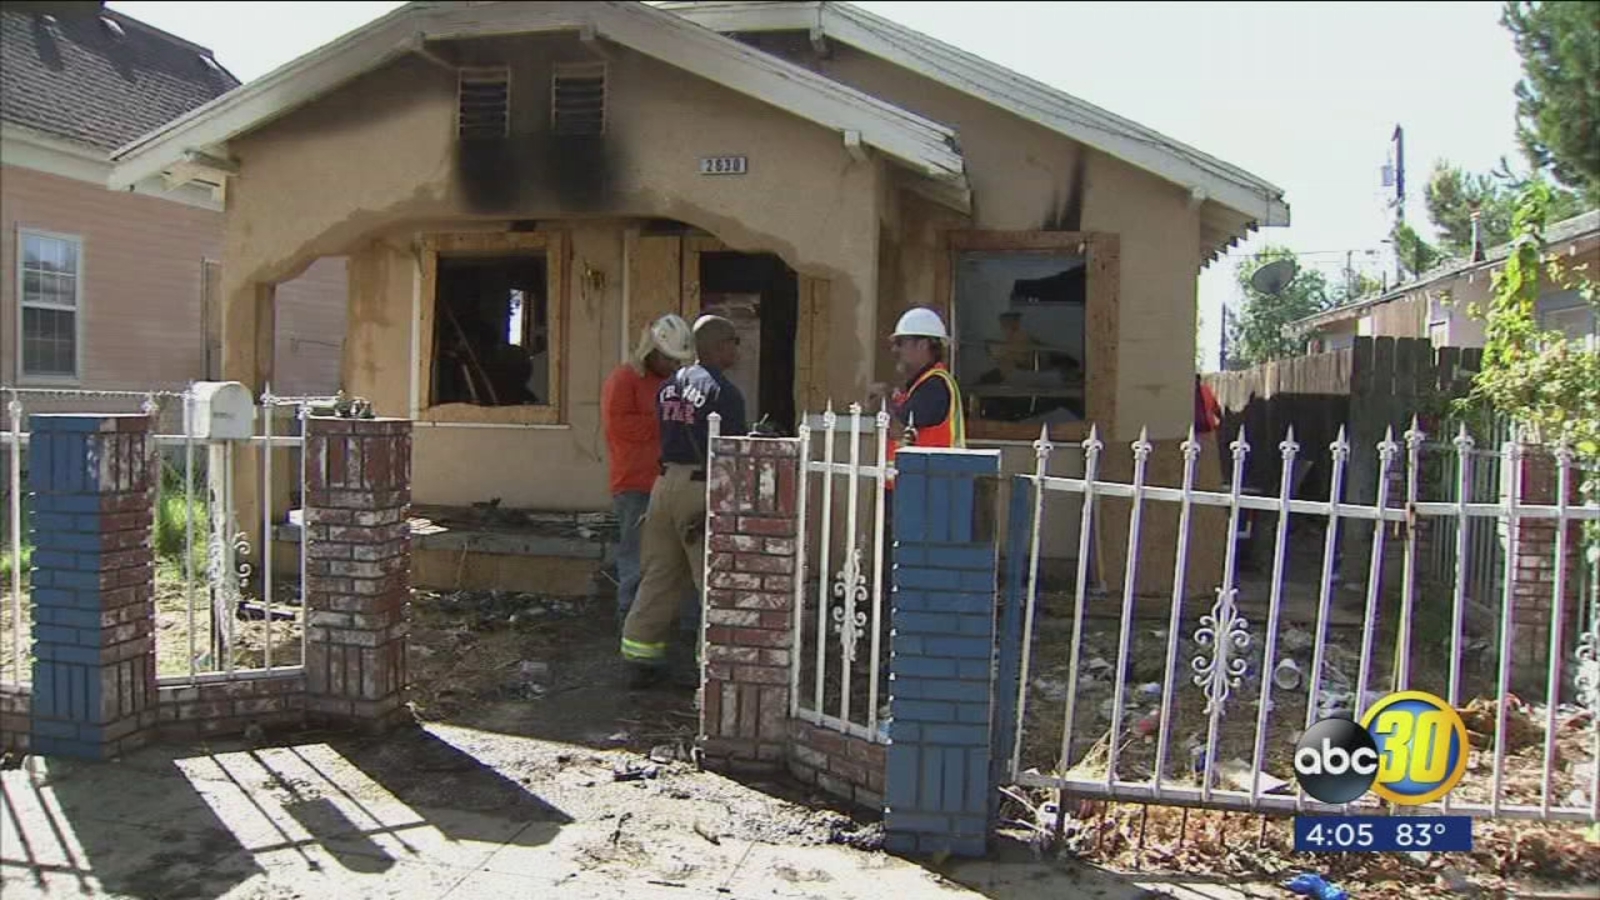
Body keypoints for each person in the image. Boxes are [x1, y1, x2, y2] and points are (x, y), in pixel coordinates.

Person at [619, 315, 746, 688]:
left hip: (663, 487)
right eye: (733, 342)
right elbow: (732, 450)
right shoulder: (724, 392)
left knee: (660, 574)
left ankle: (639, 658)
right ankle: (712, 671)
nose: (736, 349)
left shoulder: (668, 386)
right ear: (719, 345)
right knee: (712, 580)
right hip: (699, 488)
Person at [601, 314, 696, 628]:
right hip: (635, 485)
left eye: (677, 361)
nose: (673, 366)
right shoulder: (623, 380)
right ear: (650, 351)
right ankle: (629, 617)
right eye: (668, 359)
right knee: (636, 557)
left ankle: (672, 622)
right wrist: (667, 418)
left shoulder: (676, 383)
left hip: (670, 484)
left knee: (673, 558)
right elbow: (620, 427)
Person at [884, 307, 966, 470]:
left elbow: (897, 430)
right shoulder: (920, 385)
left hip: (929, 487)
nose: (895, 350)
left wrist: (882, 401)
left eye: (900, 343)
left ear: (922, 345)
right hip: (918, 484)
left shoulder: (934, 386)